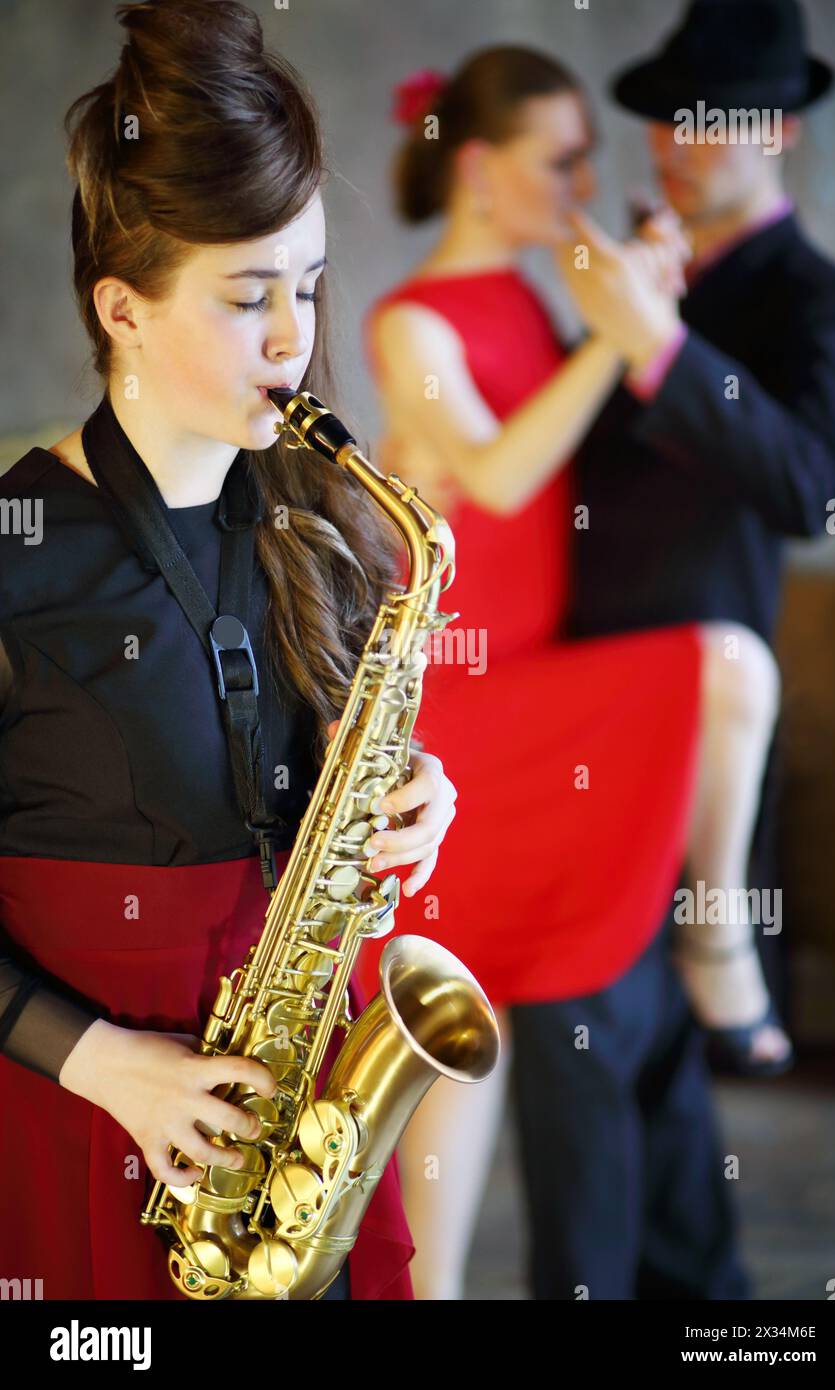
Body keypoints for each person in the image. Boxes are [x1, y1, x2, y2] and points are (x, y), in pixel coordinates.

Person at [0, 0, 460, 1302]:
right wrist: (104, 1063)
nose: (292, 338)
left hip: (291, 1123)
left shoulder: (326, 520)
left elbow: (345, 796)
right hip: (81, 1126)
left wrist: (415, 806)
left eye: (307, 286)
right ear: (121, 309)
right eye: (248, 294)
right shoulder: (15, 554)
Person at [356, 47, 749, 1300]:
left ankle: (717, 935)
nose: (584, 179)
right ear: (481, 167)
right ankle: (718, 939)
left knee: (487, 1019)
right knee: (458, 1041)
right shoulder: (409, 318)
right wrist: (620, 329)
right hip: (466, 711)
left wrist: (614, 322)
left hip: (535, 695)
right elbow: (503, 475)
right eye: (561, 159)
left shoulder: (526, 304)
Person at [558, 0, 835, 1075]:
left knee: (651, 1059)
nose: (671, 144)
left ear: (777, 130)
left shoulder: (815, 302)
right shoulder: (641, 268)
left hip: (700, 728)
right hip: (574, 705)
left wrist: (656, 342)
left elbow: (810, 487)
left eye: (705, 121)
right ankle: (675, 1258)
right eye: (660, 120)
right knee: (607, 1061)